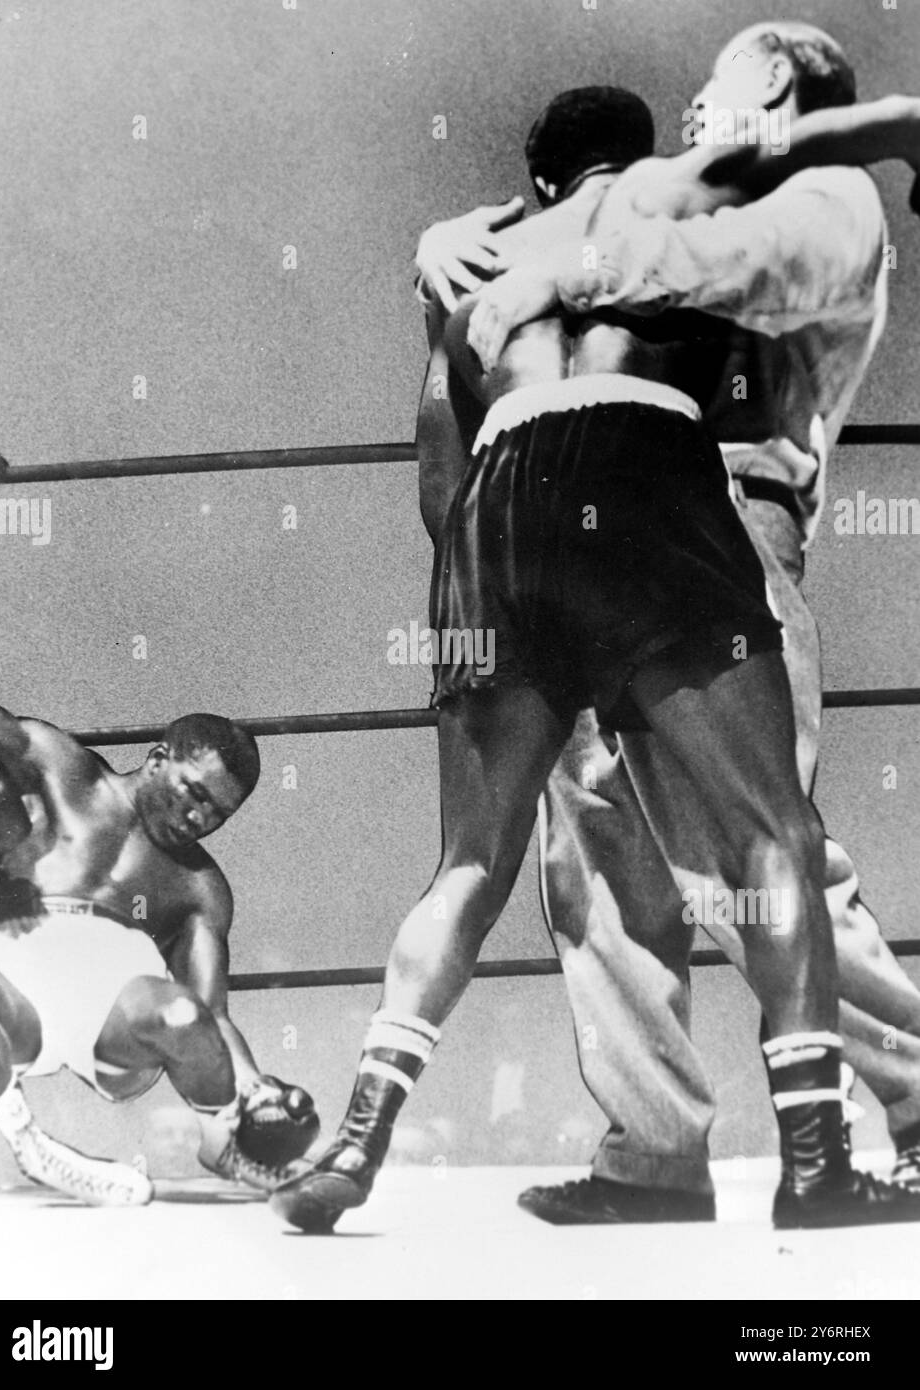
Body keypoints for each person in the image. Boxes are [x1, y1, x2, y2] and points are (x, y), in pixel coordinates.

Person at [271, 84, 920, 1235]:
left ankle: (359, 1140)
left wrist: (442, 320)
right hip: (657, 496)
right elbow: (760, 388)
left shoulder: (472, 259)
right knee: (762, 837)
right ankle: (780, 1162)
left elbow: (440, 477)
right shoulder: (687, 211)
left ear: (534, 181)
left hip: (501, 524)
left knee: (475, 864)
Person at [0, 696, 319, 1205]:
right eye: (193, 792)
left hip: (114, 1019)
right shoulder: (64, 770)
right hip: (17, 999)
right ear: (156, 760)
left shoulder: (200, 887)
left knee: (181, 1013)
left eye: (217, 812)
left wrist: (256, 1088)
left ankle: (223, 1148)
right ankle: (31, 1145)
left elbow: (212, 1014)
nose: (198, 816)